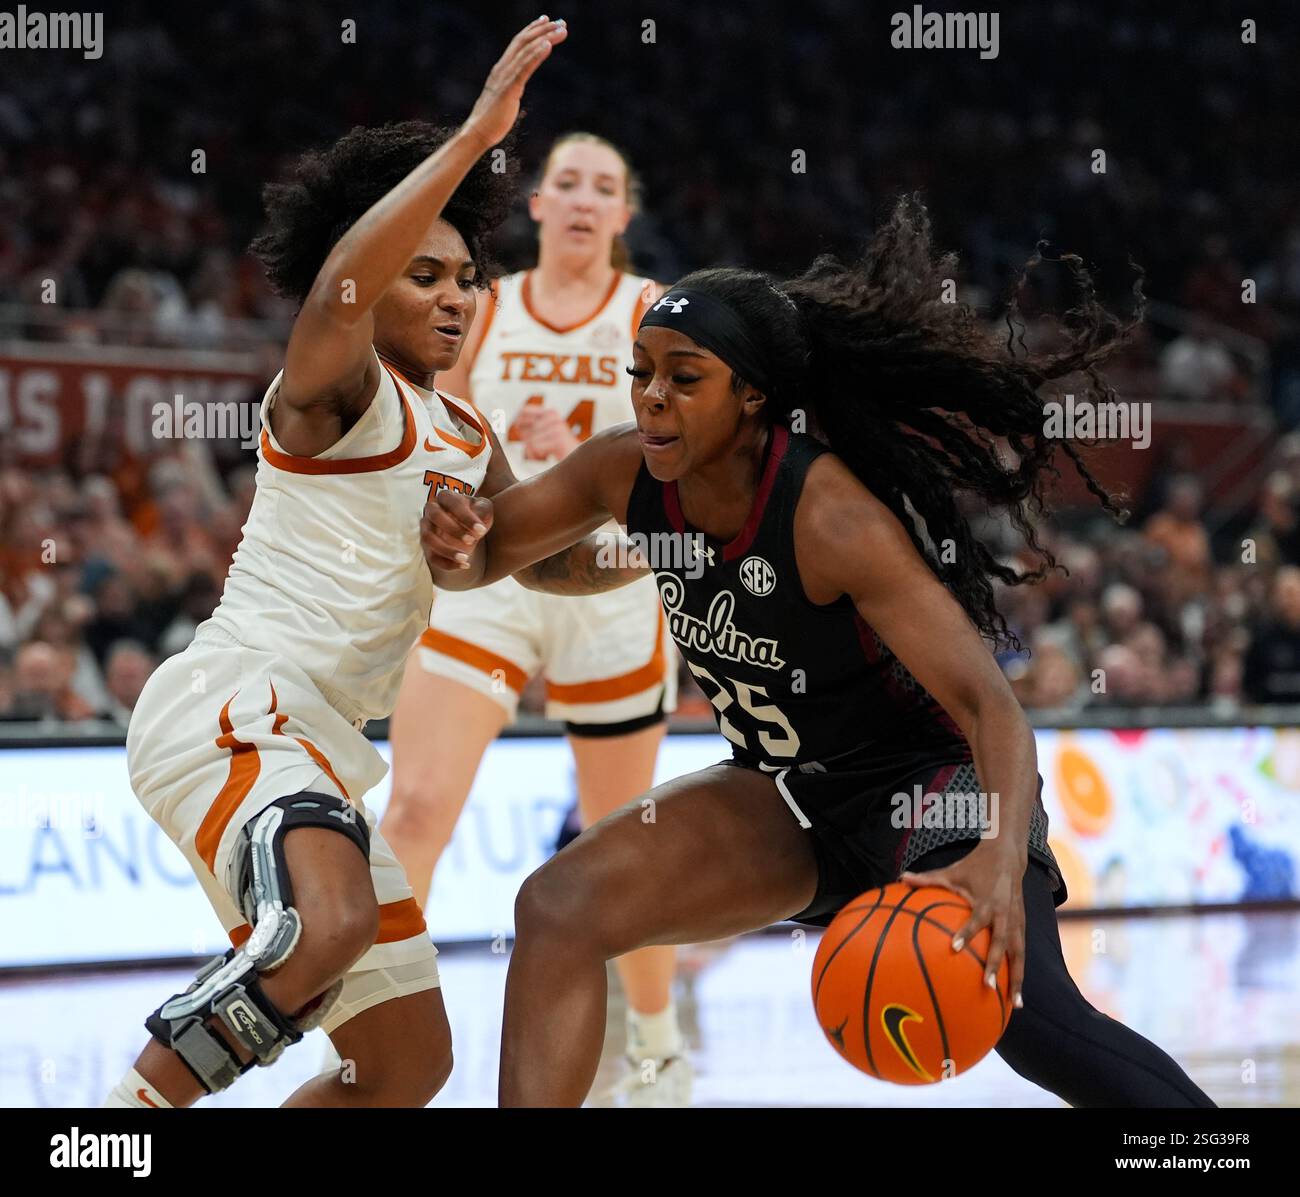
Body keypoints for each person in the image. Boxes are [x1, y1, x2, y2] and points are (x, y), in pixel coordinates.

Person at [422, 197, 1215, 1108]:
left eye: (685, 377)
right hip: (786, 791)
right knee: (557, 908)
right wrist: (458, 525)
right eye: (640, 371)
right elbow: (497, 555)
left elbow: (990, 707)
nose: (651, 395)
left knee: (1036, 1024)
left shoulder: (829, 514)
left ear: (752, 395)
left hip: (930, 782)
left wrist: (998, 859)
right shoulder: (626, 468)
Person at [100, 17, 641, 1109]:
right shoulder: (331, 392)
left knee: (403, 1067)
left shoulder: (466, 435)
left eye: (465, 279)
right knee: (332, 926)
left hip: (315, 747)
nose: (453, 295)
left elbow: (537, 564)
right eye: (424, 274)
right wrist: (478, 134)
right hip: (233, 707)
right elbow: (346, 285)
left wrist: (666, 557)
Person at [382, 130, 686, 1102]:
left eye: (606, 185)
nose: (586, 198)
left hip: (611, 589)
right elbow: (439, 429)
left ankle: (656, 1046)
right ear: (541, 205)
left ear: (623, 216)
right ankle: (370, 1029)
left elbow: (682, 457)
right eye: (569, 183)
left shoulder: (653, 314)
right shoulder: (487, 306)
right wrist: (489, 471)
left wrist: (589, 456)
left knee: (617, 842)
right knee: (418, 808)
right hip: (495, 578)